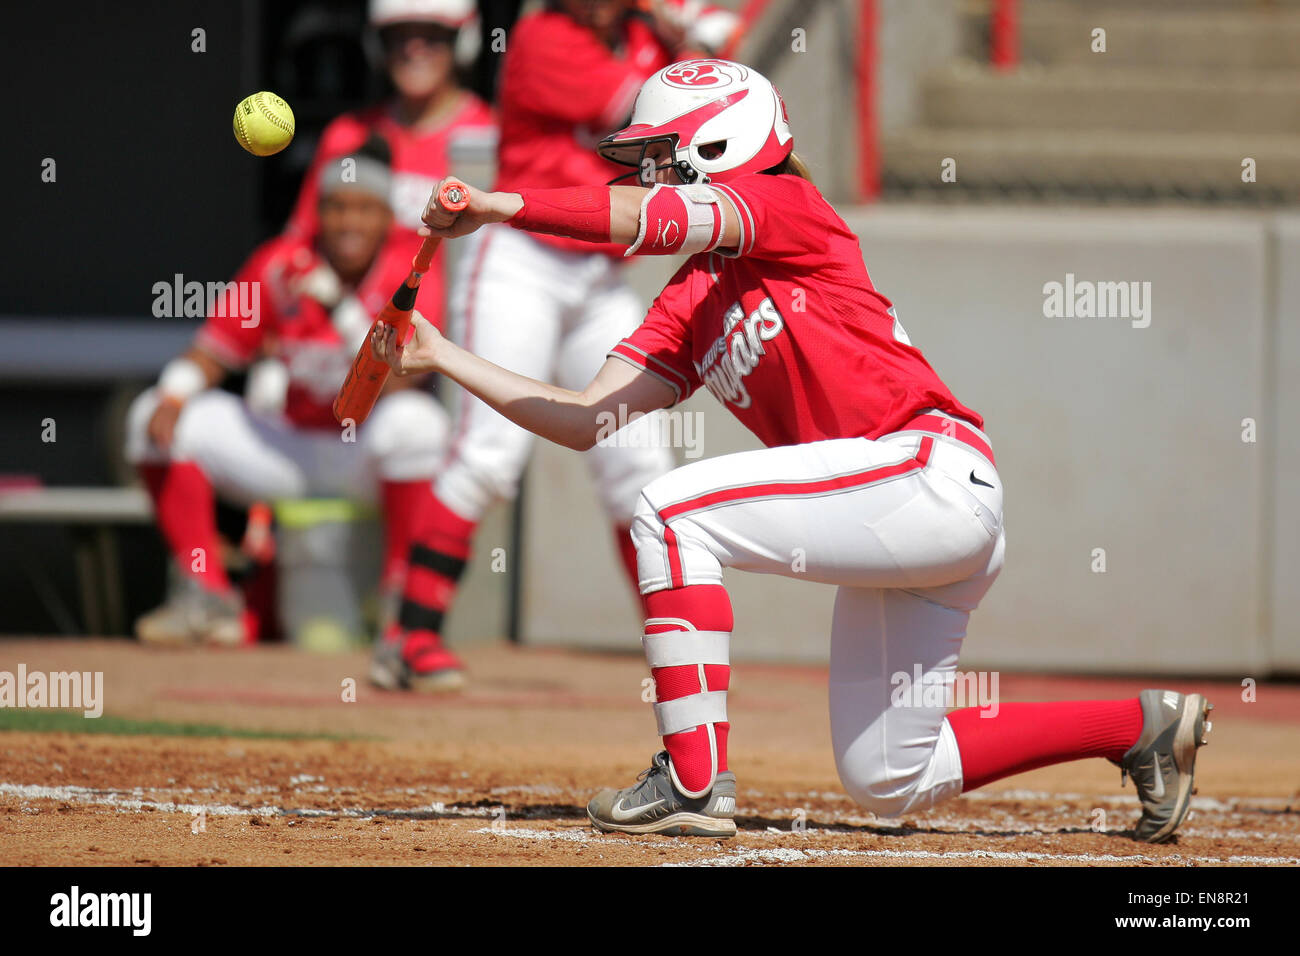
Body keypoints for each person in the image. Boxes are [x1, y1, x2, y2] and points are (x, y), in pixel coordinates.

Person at [378, 58, 1215, 843]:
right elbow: (585, 417)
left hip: (927, 470)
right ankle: (1142, 728)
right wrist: (441, 355)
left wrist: (501, 206)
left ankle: (694, 781)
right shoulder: (695, 295)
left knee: (667, 511)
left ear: (719, 146)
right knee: (889, 775)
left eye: (664, 156)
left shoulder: (786, 205)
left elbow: (649, 220)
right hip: (897, 514)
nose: (648, 173)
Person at [369, 0, 738, 693]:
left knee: (641, 469)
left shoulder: (638, 35)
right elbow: (640, 120)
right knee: (489, 455)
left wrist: (688, 47)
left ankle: (675, 649)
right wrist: (695, 50)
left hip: (601, 274)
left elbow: (692, 140)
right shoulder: (542, 37)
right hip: (522, 261)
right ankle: (409, 636)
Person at [127, 141, 447, 645]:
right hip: (288, 447)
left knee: (421, 424)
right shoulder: (283, 264)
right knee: (155, 411)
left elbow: (407, 374)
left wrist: (341, 313)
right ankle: (205, 596)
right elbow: (215, 352)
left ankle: (400, 599)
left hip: (359, 450)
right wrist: (174, 394)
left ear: (387, 218)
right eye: (338, 208)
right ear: (318, 214)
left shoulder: (411, 266)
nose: (349, 223)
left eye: (365, 209)